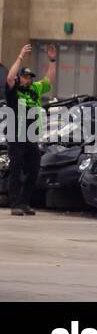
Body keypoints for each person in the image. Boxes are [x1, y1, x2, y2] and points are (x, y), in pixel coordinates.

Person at [4, 43, 37, 216]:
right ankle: (15, 204)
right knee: (16, 169)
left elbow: (49, 81)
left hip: (30, 137)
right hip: (16, 136)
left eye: (30, 77)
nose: (28, 79)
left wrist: (52, 60)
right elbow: (9, 78)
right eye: (25, 76)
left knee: (34, 169)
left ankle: (25, 202)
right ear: (20, 78)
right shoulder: (13, 91)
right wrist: (20, 56)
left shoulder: (32, 93)